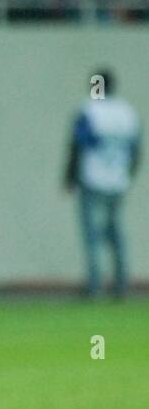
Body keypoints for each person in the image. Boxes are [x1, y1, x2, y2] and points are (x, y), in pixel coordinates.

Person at [65, 68, 141, 300]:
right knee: (116, 234)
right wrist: (127, 175)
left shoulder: (90, 110)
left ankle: (95, 286)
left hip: (93, 179)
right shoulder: (127, 113)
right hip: (117, 181)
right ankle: (121, 286)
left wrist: (69, 177)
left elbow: (77, 146)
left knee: (92, 235)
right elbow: (136, 152)